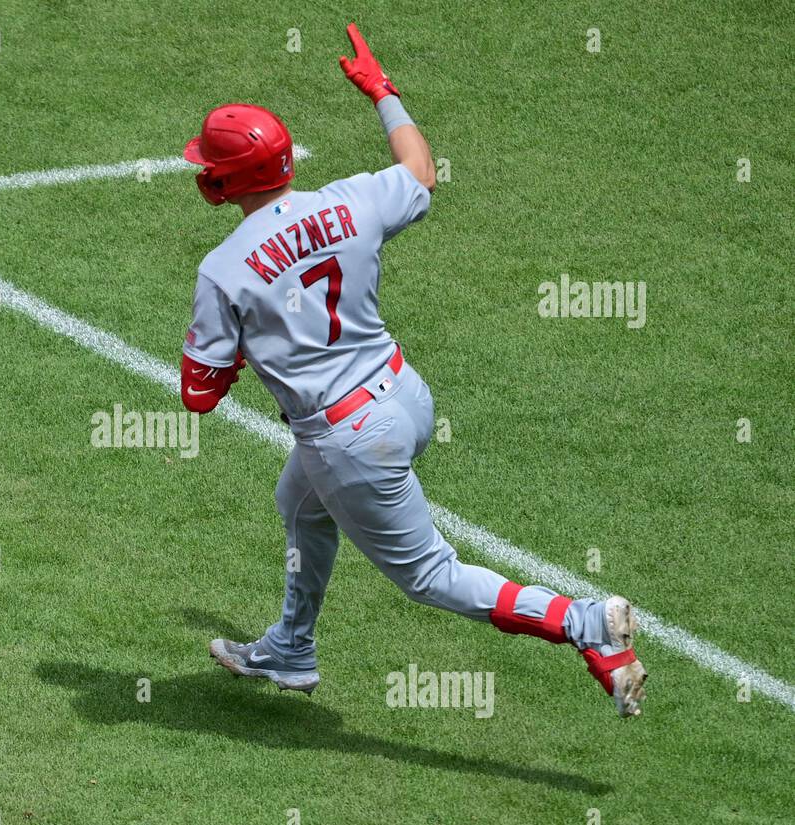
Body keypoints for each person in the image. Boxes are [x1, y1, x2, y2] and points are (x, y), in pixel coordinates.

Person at [180, 23, 647, 716]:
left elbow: (198, 396)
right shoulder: (349, 201)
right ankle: (290, 648)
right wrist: (381, 91)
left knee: (432, 573)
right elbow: (422, 172)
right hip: (405, 395)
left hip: (349, 440)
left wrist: (249, 350)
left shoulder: (223, 271)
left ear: (222, 182)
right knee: (299, 506)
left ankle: (582, 622)